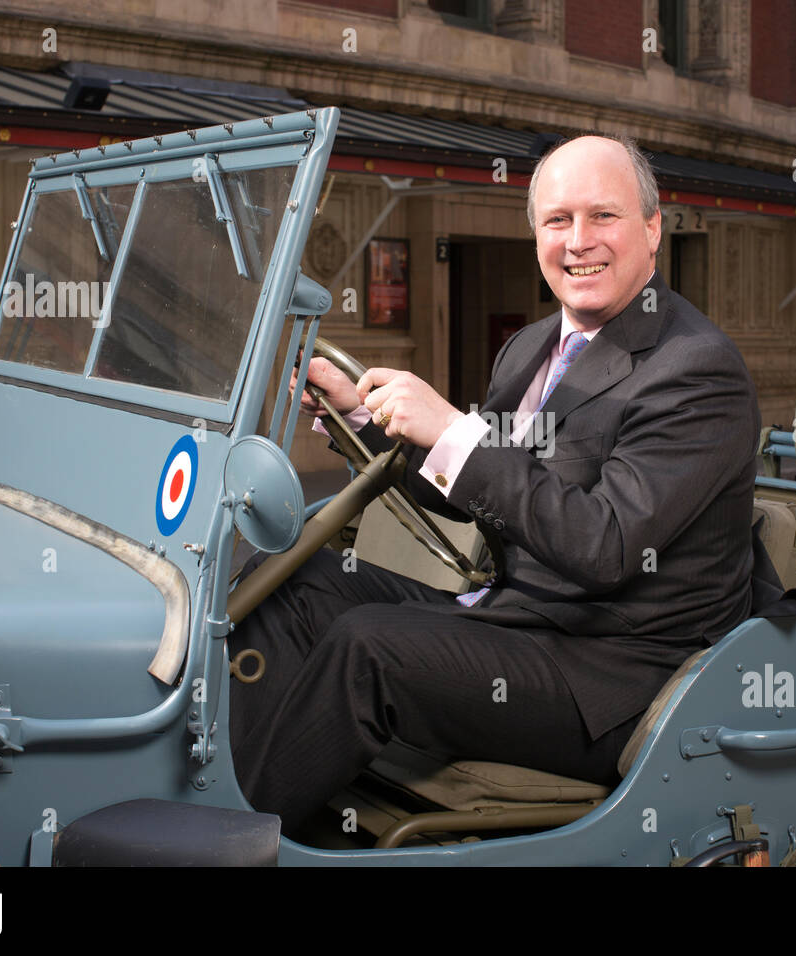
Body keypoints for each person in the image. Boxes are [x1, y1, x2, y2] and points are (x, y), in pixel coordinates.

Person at [228, 134, 760, 833]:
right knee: (291, 582)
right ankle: (248, 797)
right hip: (514, 617)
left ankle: (241, 843)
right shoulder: (531, 347)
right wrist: (362, 419)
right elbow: (478, 492)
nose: (579, 241)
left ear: (653, 227)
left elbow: (603, 545)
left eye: (604, 216)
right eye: (557, 221)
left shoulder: (696, 368)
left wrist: (453, 430)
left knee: (370, 645)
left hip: (612, 674)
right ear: (536, 234)